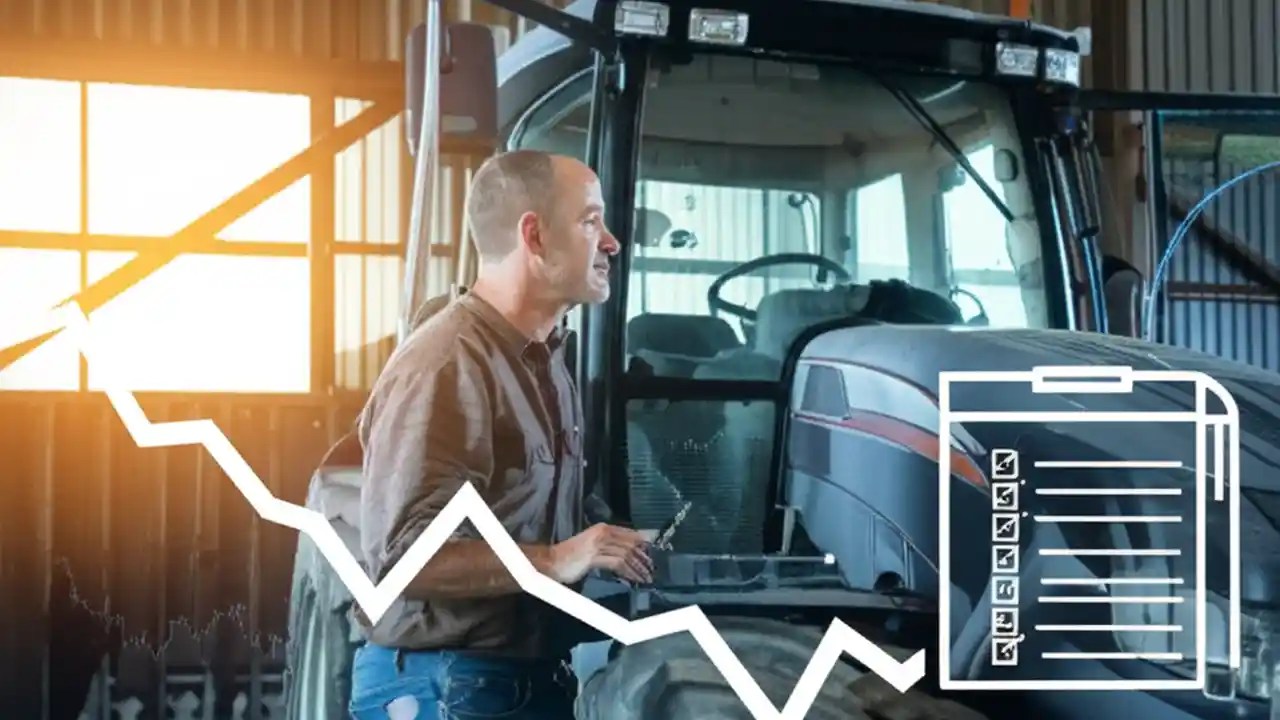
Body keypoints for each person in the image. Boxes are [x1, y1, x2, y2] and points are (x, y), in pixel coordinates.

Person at [348, 149, 655, 720]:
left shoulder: (546, 361)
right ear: (534, 236)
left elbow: (524, 507)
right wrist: (558, 558)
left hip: (514, 682)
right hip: (448, 687)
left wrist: (608, 544)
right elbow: (404, 561)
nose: (611, 242)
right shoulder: (445, 364)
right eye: (590, 221)